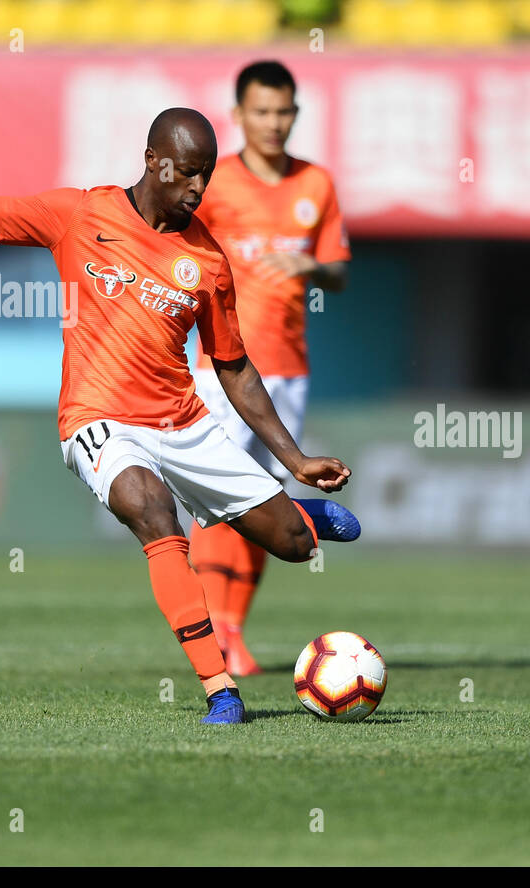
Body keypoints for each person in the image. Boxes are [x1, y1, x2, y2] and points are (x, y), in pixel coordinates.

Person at [0, 95, 360, 725]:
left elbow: (233, 367)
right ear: (152, 161)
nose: (198, 187)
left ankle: (290, 515)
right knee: (150, 509)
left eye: (208, 175)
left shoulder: (209, 263)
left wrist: (293, 459)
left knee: (295, 546)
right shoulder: (82, 214)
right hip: (98, 419)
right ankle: (220, 688)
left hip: (184, 422)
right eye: (186, 172)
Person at [187, 60, 350, 677]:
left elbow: (339, 272)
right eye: (261, 111)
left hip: (289, 368)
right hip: (221, 367)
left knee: (268, 498)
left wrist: (309, 269)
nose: (273, 123)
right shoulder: (215, 184)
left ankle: (231, 628)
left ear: (296, 114)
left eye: (283, 111)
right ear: (238, 116)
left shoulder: (317, 184)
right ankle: (210, 634)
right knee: (218, 499)